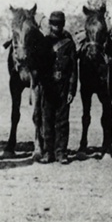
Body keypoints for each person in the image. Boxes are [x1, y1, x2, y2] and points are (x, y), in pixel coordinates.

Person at [40, 11, 77, 164]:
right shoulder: (44, 42)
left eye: (59, 24)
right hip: (48, 85)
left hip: (63, 85)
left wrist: (71, 90)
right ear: (50, 24)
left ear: (63, 25)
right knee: (47, 119)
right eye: (54, 24)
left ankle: (61, 152)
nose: (56, 27)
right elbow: (39, 65)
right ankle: (48, 152)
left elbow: (74, 69)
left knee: (62, 121)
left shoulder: (69, 43)